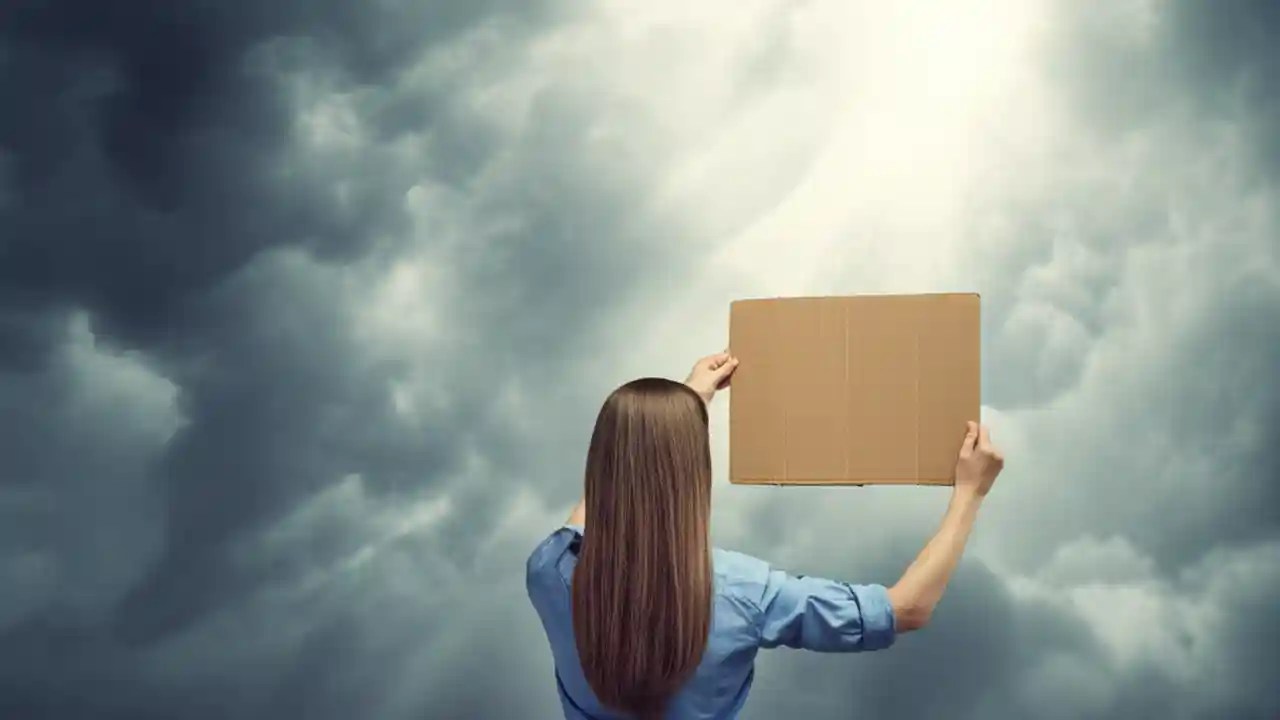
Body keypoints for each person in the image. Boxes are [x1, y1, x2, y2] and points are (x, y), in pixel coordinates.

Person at [526, 351, 1005, 719]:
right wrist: (970, 493)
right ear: (696, 474)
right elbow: (905, 608)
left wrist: (688, 402)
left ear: (600, 460)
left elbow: (595, 506)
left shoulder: (549, 569)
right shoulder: (742, 591)